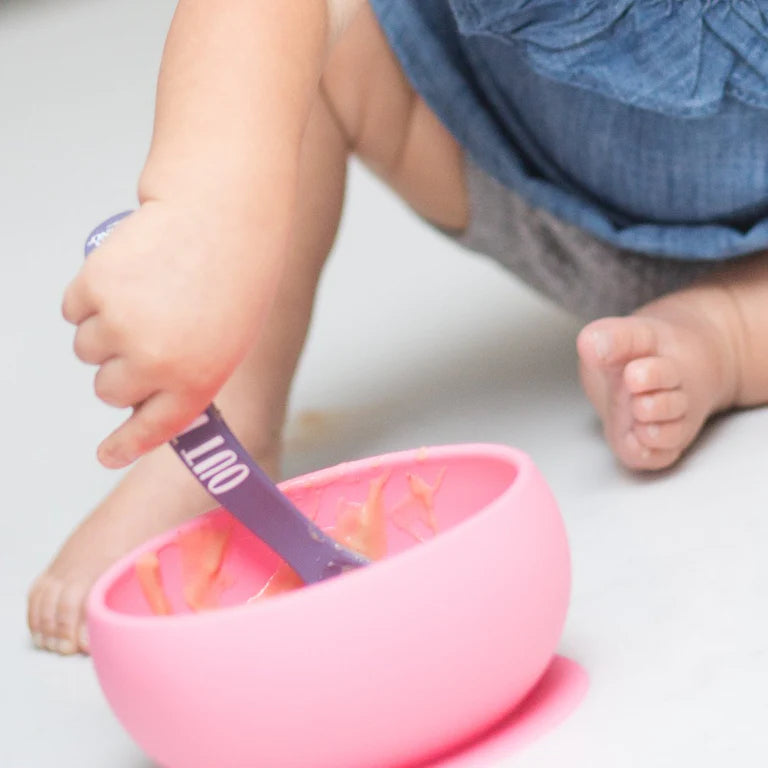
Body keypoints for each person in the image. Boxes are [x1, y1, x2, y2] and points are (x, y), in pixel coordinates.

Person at [27, 0, 768, 654]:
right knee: (305, 63)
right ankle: (229, 408)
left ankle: (727, 333)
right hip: (507, 163)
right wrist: (203, 211)